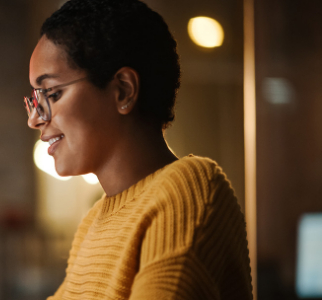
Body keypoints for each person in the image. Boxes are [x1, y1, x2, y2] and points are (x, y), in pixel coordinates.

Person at [25, 0, 253, 299]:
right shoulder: (94, 222)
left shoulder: (190, 187)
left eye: (52, 94)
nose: (34, 119)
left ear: (123, 90)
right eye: (35, 99)